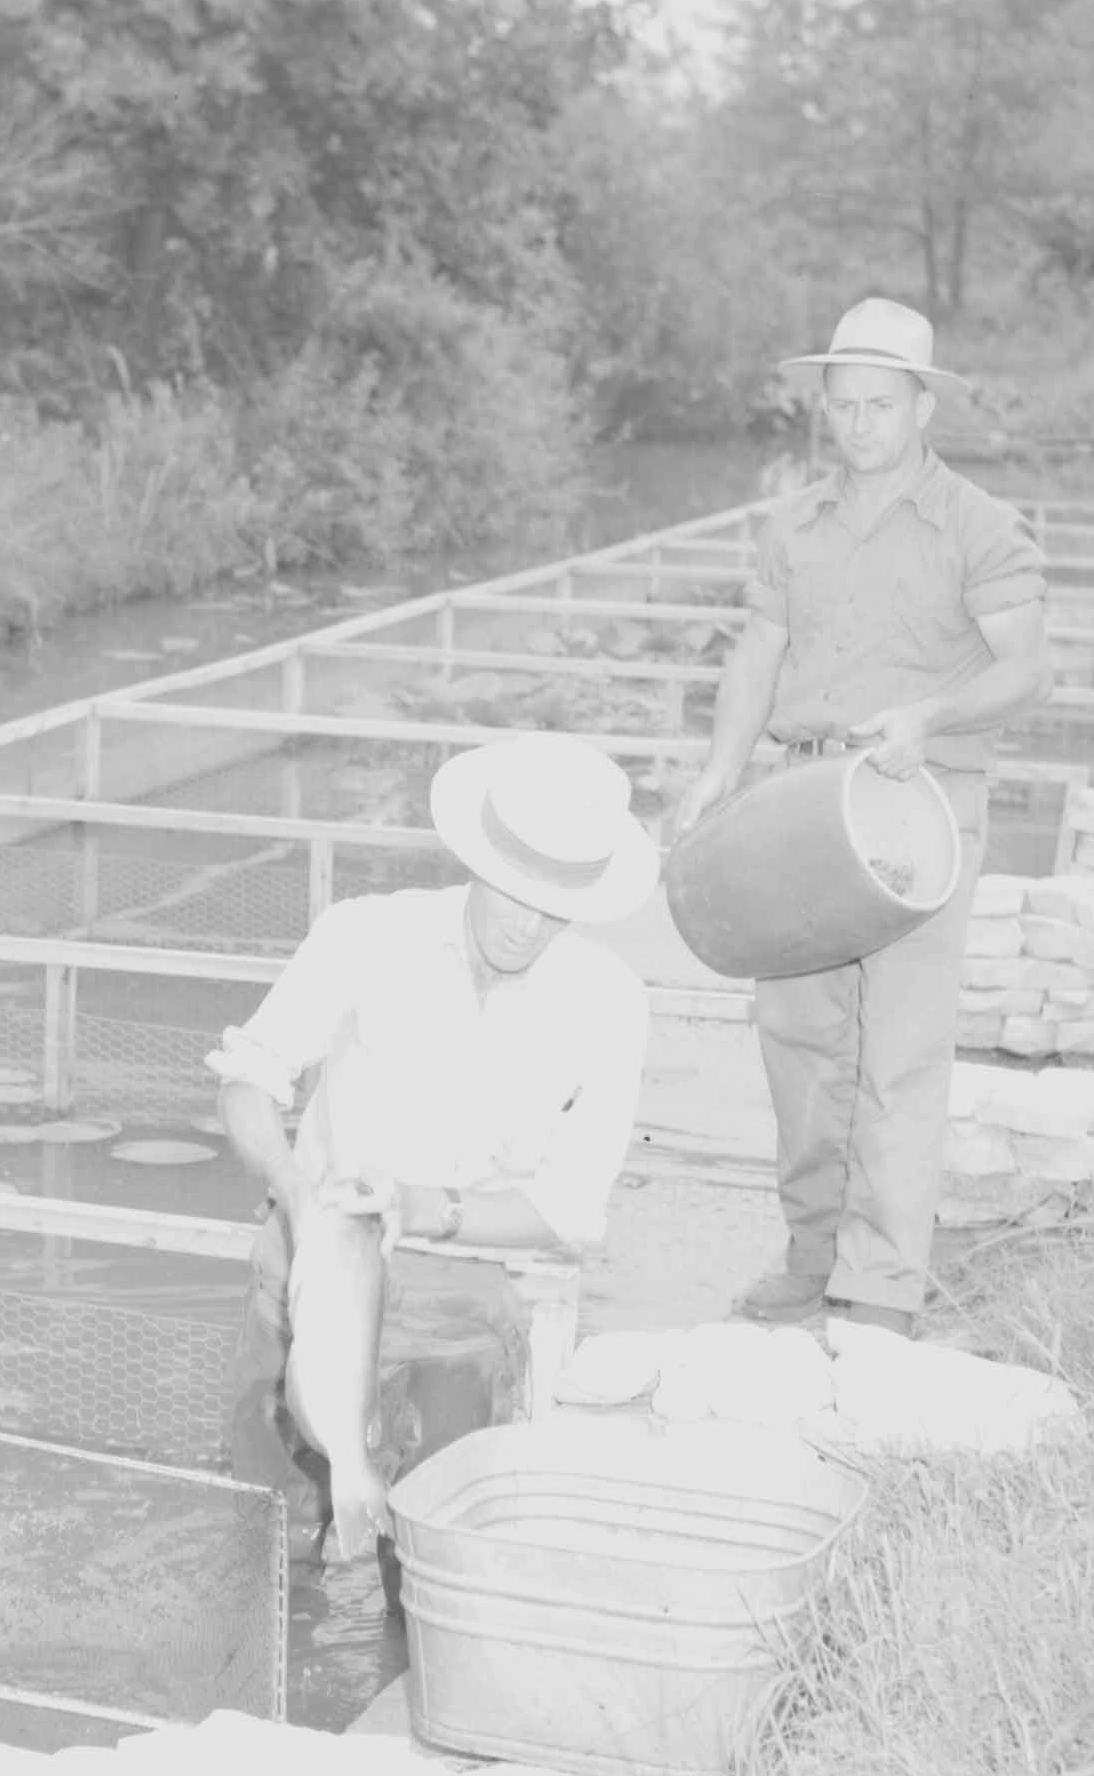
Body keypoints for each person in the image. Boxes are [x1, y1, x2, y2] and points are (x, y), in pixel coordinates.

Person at [665, 298, 1051, 1339]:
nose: (860, 423)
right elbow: (757, 652)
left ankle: (880, 1283)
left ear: (924, 406)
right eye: (843, 404)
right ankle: (810, 1253)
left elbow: (1027, 668)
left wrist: (931, 715)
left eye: (881, 403)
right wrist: (716, 772)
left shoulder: (978, 524)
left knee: (900, 1048)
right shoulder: (793, 523)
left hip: (920, 802)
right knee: (796, 1037)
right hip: (803, 801)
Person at [208, 731, 657, 1553]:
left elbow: (569, 1206)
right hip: (313, 1275)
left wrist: (425, 1208)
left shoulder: (610, 1001)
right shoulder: (365, 934)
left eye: (556, 907)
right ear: (476, 862)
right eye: (514, 892)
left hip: (463, 1312)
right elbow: (249, 1077)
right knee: (261, 1547)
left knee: (439, 1561)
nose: (527, 925)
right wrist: (292, 1186)